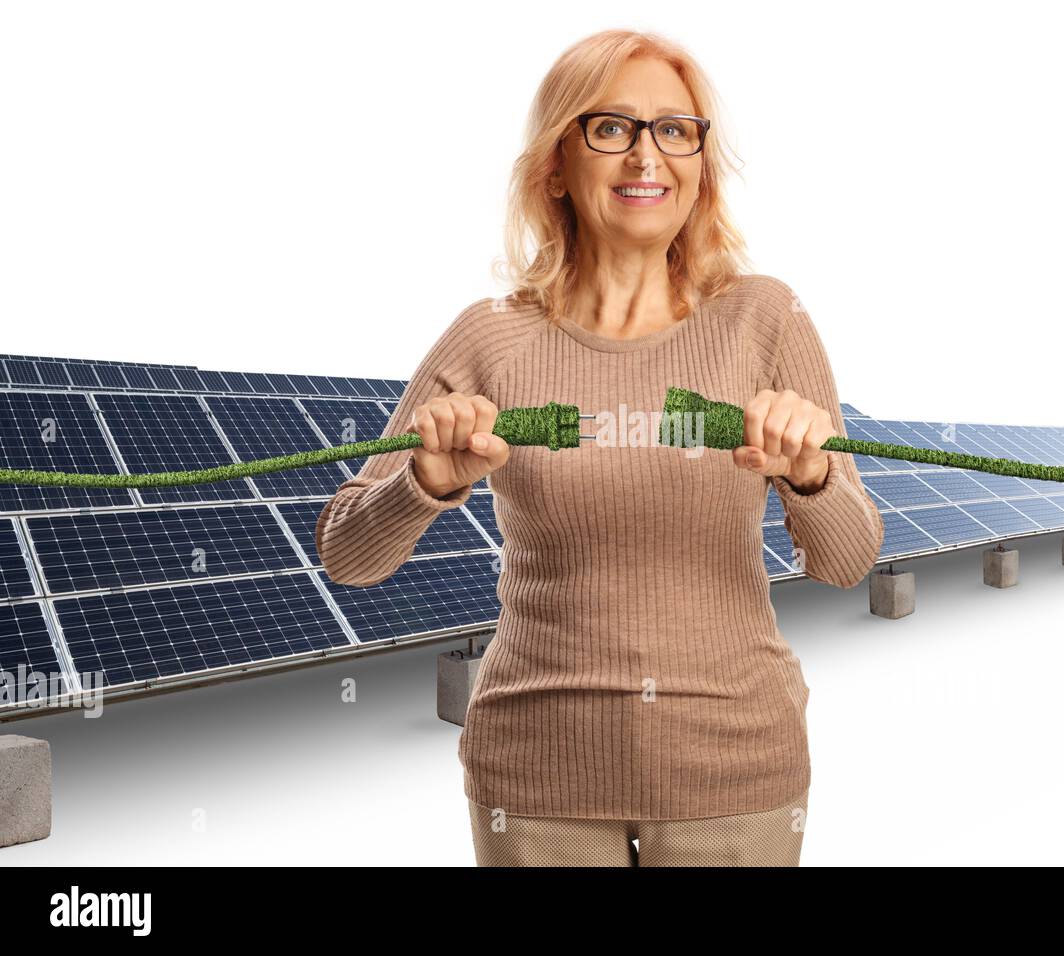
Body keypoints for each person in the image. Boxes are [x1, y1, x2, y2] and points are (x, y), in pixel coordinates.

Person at [316, 28, 884, 866]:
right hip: (535, 785)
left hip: (734, 777)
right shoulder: (491, 339)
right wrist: (422, 485)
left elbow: (850, 560)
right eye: (611, 127)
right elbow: (347, 553)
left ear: (700, 160)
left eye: (674, 129)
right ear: (555, 163)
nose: (646, 155)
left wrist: (813, 473)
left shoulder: (766, 319)